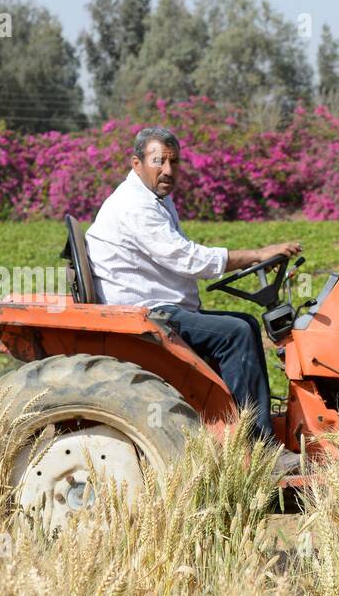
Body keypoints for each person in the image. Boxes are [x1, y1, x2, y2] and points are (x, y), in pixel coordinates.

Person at [85, 126, 300, 450]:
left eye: (174, 162)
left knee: (245, 324)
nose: (168, 171)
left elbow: (181, 253)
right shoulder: (136, 206)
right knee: (235, 333)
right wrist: (255, 255)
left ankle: (247, 425)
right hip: (148, 312)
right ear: (136, 163)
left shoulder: (155, 199)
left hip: (158, 303)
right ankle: (258, 447)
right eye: (159, 161)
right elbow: (187, 258)